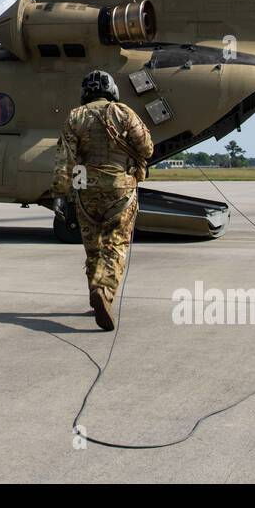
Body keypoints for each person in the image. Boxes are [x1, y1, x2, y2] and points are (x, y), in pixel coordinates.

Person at [52, 70, 153, 331]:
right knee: (115, 244)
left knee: (94, 248)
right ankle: (103, 292)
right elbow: (147, 148)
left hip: (86, 190)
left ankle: (95, 293)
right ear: (112, 91)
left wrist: (61, 194)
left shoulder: (75, 116)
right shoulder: (124, 112)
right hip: (120, 191)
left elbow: (65, 160)